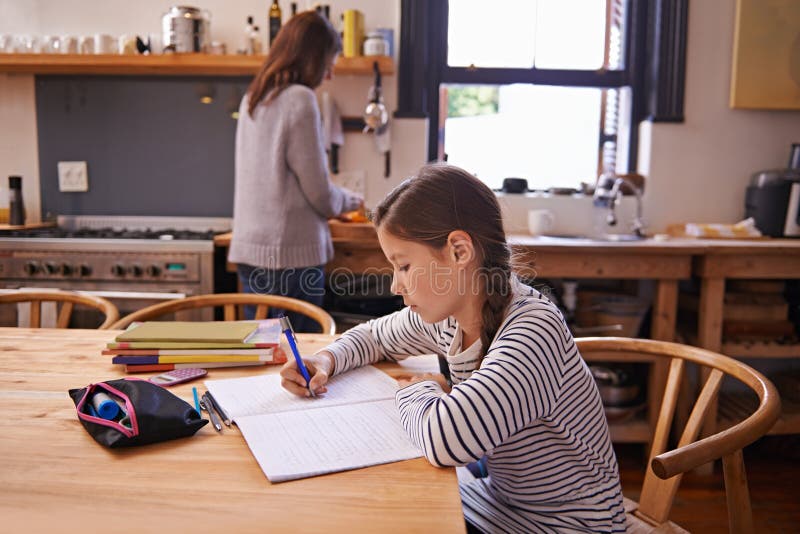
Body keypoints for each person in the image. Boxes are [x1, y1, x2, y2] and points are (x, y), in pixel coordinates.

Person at [280, 163, 626, 532]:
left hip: (567, 525)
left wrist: (419, 390)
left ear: (459, 251)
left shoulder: (533, 330)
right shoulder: (452, 315)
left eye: (405, 266)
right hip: (503, 503)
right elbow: (374, 336)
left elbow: (448, 440)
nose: (396, 286)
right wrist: (326, 359)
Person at [228, 10, 362, 332]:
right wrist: (350, 200)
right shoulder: (300, 99)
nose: (329, 74)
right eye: (329, 62)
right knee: (300, 359)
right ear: (313, 57)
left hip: (252, 251)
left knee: (263, 355)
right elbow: (320, 194)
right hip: (290, 256)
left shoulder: (255, 98)